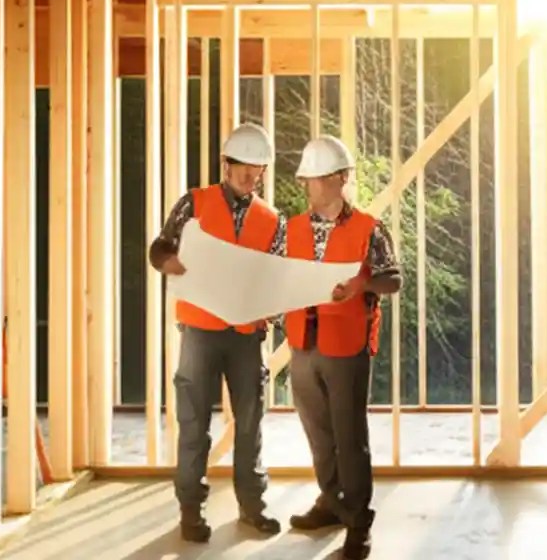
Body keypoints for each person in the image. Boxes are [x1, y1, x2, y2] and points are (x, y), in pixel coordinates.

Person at [148, 123, 286, 543]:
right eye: (243, 167)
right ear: (225, 164)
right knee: (193, 425)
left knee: (250, 424)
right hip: (200, 332)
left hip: (246, 334)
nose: (250, 176)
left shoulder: (271, 220)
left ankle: (252, 506)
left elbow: (275, 277)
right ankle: (191, 511)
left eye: (257, 169)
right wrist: (167, 263)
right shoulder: (195, 203)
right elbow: (160, 247)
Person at [284, 136, 401, 560]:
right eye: (306, 181)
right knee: (318, 435)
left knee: (350, 438)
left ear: (338, 180)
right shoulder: (292, 228)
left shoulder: (370, 229)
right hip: (303, 344)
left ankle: (357, 522)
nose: (308, 188)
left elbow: (393, 278)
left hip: (346, 347)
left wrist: (362, 284)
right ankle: (331, 502)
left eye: (314, 180)